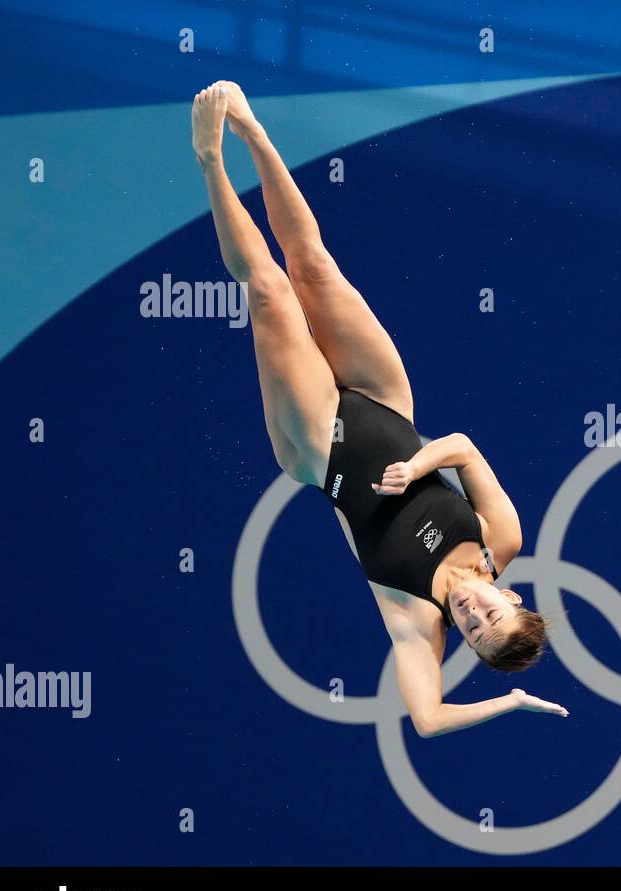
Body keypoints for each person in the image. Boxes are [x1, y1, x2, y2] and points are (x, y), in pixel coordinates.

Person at [191, 81, 566, 737]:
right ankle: (254, 132)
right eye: (490, 613)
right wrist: (417, 463)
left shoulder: (417, 621)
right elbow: (464, 447)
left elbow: (424, 718)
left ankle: (210, 161)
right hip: (386, 402)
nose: (473, 616)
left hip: (318, 448)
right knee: (313, 265)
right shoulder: (501, 538)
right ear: (508, 593)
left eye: (474, 634)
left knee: (273, 293)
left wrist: (508, 702)